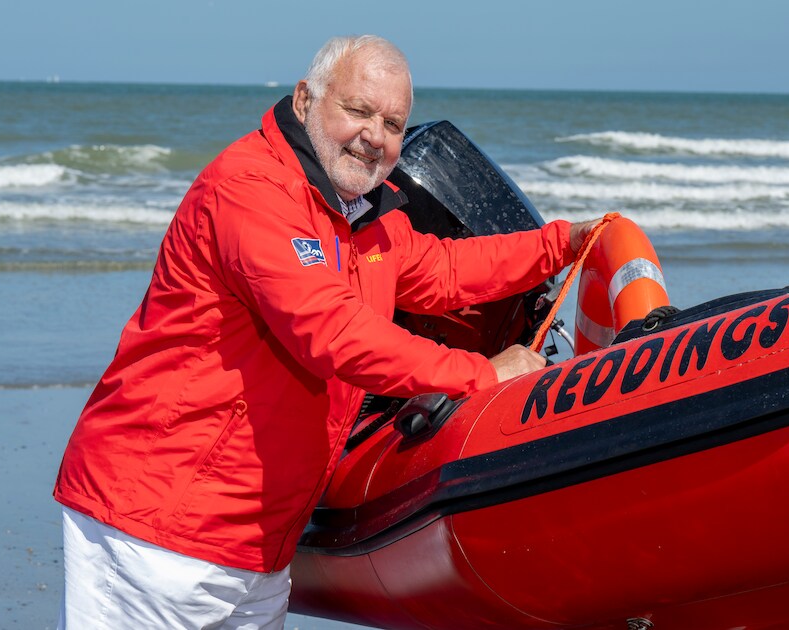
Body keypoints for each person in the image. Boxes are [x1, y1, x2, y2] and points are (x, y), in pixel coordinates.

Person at [53, 35, 600, 629]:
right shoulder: (252, 190)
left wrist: (561, 244)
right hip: (158, 523)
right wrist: (483, 373)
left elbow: (444, 269)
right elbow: (333, 332)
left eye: (393, 123)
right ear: (305, 99)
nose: (376, 136)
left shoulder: (358, 215)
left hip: (257, 542)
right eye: (359, 111)